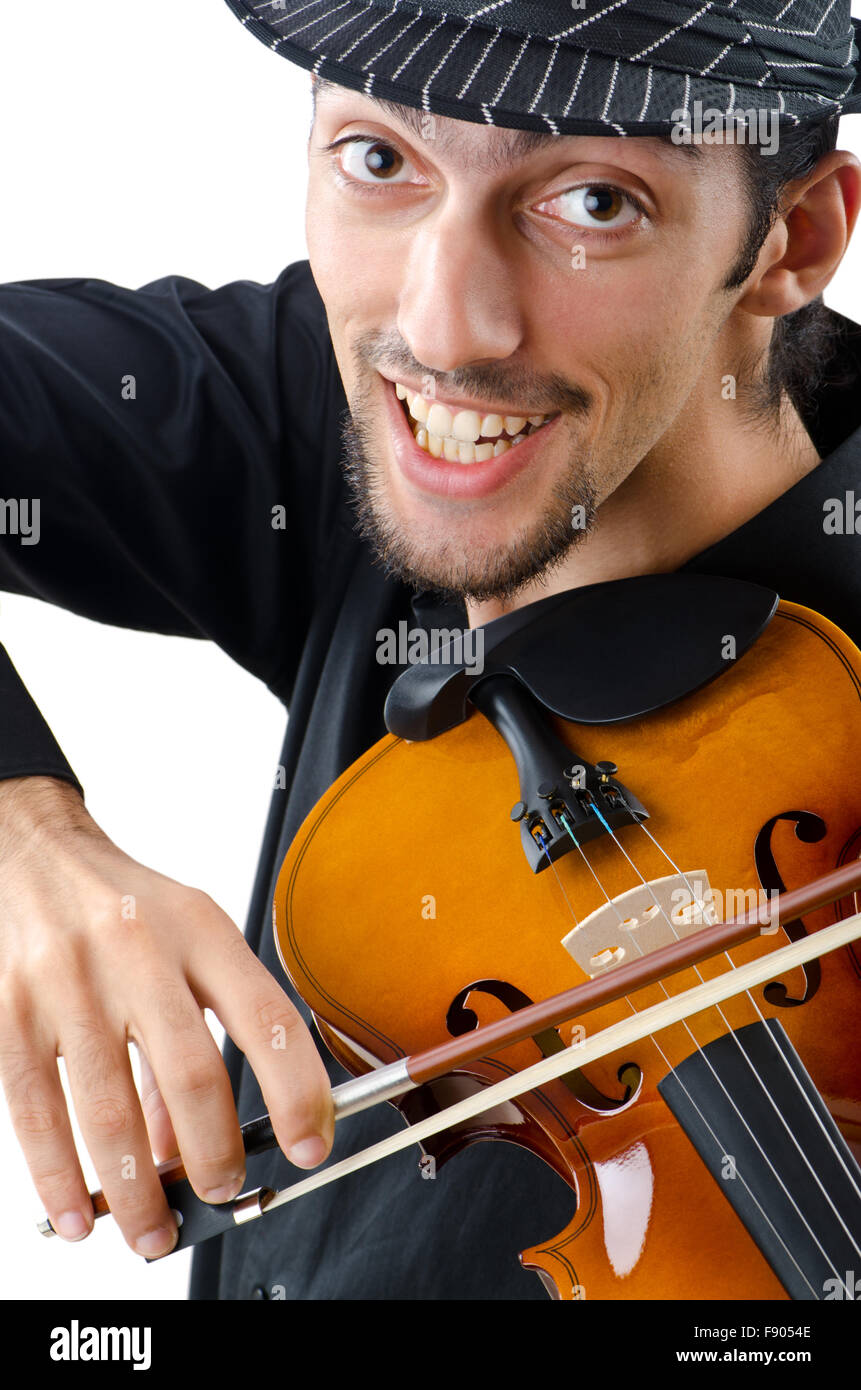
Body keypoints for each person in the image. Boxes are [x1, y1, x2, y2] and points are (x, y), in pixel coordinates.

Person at [0, 0, 860, 1299]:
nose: (446, 325)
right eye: (380, 161)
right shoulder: (360, 420)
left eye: (593, 202)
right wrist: (26, 832)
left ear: (789, 237)